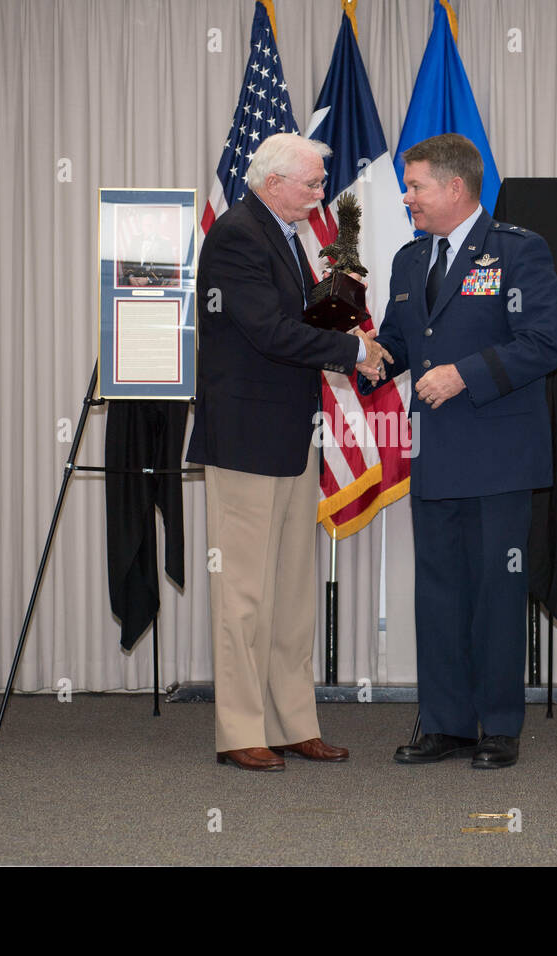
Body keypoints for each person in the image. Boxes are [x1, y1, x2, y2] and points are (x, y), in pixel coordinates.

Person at [360, 133, 557, 769]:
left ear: (456, 187)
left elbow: (545, 343)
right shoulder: (407, 260)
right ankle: (446, 723)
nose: (407, 196)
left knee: (496, 593)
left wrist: (464, 374)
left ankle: (499, 725)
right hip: (438, 457)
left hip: (500, 457)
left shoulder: (518, 252)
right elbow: (397, 342)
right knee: (440, 594)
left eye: (416, 184)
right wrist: (362, 355)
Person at [186, 133, 390, 772]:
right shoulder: (238, 235)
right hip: (246, 441)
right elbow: (269, 333)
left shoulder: (281, 232)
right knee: (244, 595)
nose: (320, 193)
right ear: (273, 182)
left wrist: (339, 302)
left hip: (290, 437)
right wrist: (355, 351)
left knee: (291, 595)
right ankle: (241, 730)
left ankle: (293, 721)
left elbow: (294, 320)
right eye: (310, 183)